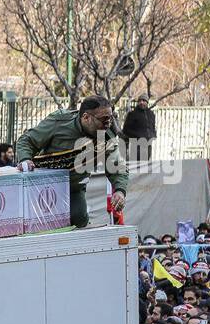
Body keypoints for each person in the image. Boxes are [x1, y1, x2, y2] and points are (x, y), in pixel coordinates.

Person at [15, 95, 128, 229]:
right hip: (42, 186)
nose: (108, 123)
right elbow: (27, 140)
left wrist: (120, 191)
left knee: (79, 220)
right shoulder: (59, 121)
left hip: (74, 187)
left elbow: (117, 166)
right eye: (104, 119)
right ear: (86, 117)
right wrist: (25, 159)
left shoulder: (107, 134)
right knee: (38, 225)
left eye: (110, 118)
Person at [122, 96, 157, 166]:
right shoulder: (132, 114)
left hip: (148, 145)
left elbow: (152, 127)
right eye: (140, 101)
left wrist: (153, 135)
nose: (141, 102)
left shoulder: (151, 114)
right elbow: (126, 130)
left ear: (147, 102)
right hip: (136, 145)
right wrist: (137, 136)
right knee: (135, 167)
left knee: (146, 166)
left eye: (144, 101)